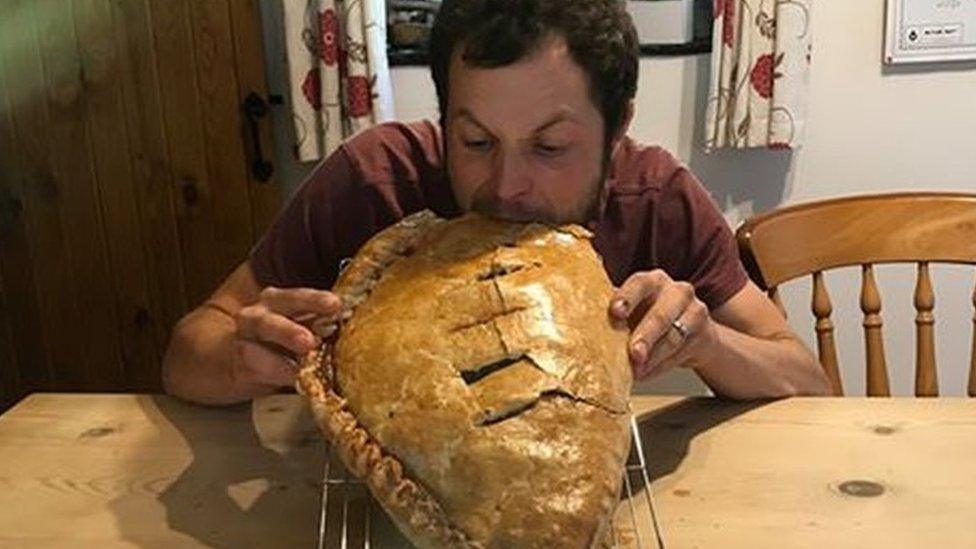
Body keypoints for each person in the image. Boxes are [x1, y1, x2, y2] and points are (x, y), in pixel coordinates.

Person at [162, 0, 830, 405]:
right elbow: (189, 348)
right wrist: (242, 357)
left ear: (617, 125)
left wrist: (708, 344)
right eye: (476, 139)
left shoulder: (655, 200)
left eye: (550, 147)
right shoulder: (374, 183)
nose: (507, 187)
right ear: (444, 114)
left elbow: (808, 381)